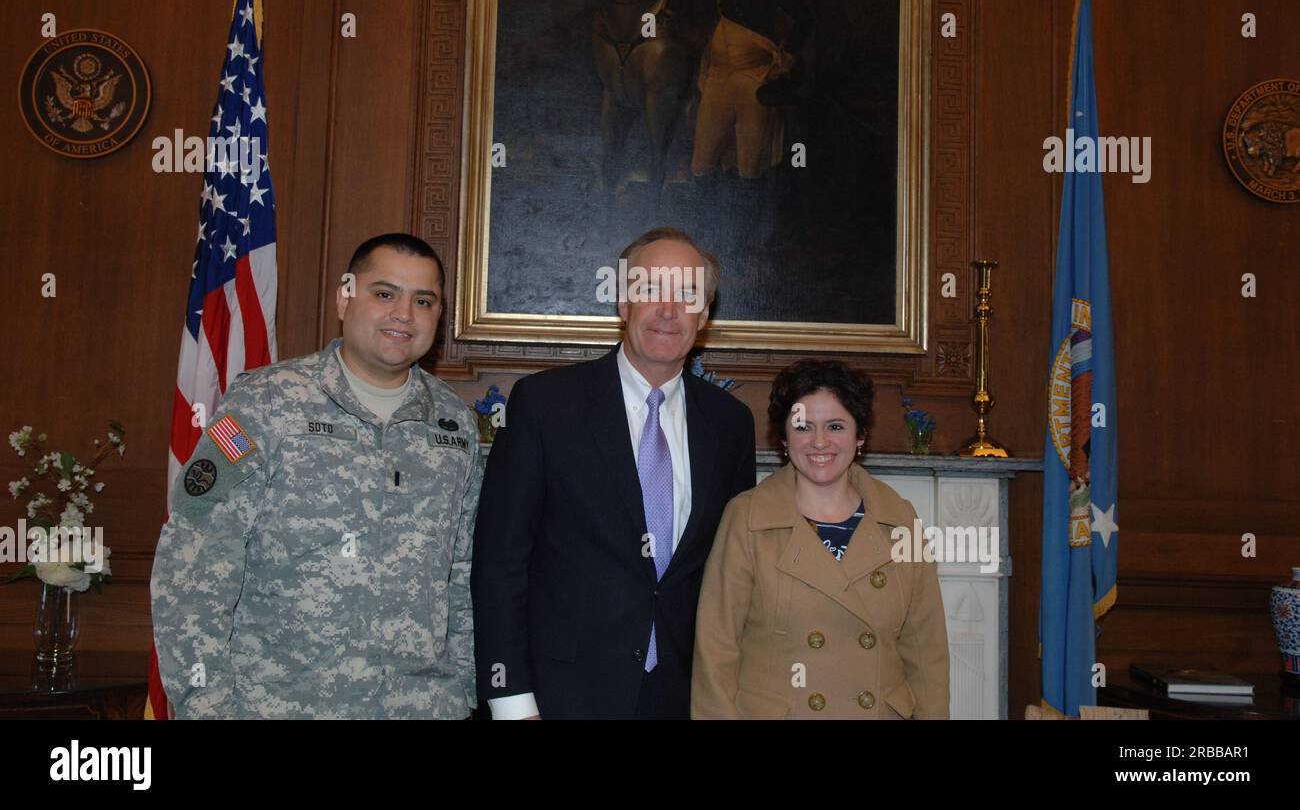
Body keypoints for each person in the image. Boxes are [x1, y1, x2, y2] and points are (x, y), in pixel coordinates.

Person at [151, 233, 482, 718]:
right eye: (384, 293)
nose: (403, 314)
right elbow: (194, 556)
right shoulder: (265, 402)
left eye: (423, 300)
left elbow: (462, 572)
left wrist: (464, 688)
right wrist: (208, 704)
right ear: (344, 297)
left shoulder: (454, 423)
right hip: (280, 706)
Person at [472, 226, 756, 719]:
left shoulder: (730, 424)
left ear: (704, 315)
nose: (668, 310)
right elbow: (500, 562)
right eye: (650, 290)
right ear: (623, 302)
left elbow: (733, 572)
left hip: (685, 697)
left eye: (687, 294)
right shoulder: (546, 405)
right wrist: (512, 703)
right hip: (560, 697)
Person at [692, 359, 950, 719]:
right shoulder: (746, 519)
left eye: (835, 426)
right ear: (783, 437)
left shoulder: (899, 519)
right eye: (803, 426)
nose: (819, 442)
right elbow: (716, 648)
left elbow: (927, 652)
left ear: (860, 436)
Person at [665, 0, 809, 182]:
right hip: (716, 76)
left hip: (752, 78)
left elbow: (804, 18)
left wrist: (786, 59)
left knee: (750, 166)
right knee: (702, 164)